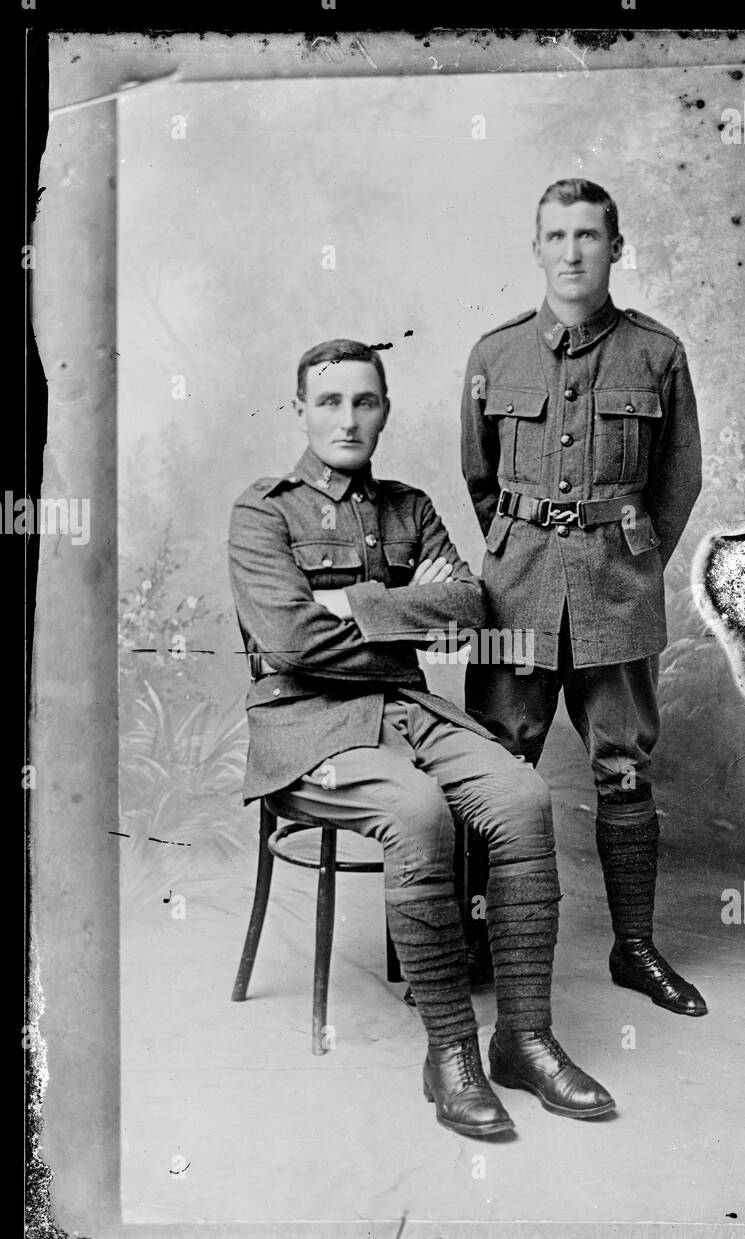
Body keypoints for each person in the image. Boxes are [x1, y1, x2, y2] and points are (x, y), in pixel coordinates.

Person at [228, 337, 616, 1139]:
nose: (347, 418)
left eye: (364, 402)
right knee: (416, 810)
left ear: (384, 412)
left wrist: (352, 607)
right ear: (300, 409)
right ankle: (451, 1055)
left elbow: (473, 603)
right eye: (329, 402)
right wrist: (401, 607)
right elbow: (294, 644)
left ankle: (525, 1039)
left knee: (522, 793)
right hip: (307, 725)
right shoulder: (262, 512)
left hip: (408, 709)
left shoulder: (409, 507)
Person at [461, 179, 708, 1017]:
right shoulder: (494, 355)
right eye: (557, 236)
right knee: (498, 764)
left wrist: (630, 562)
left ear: (616, 247)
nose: (572, 253)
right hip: (517, 589)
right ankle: (482, 939)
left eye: (589, 237)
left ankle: (634, 948)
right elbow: (481, 479)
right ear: (536, 249)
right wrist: (520, 548)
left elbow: (678, 482)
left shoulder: (656, 353)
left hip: (617, 590)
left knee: (624, 766)